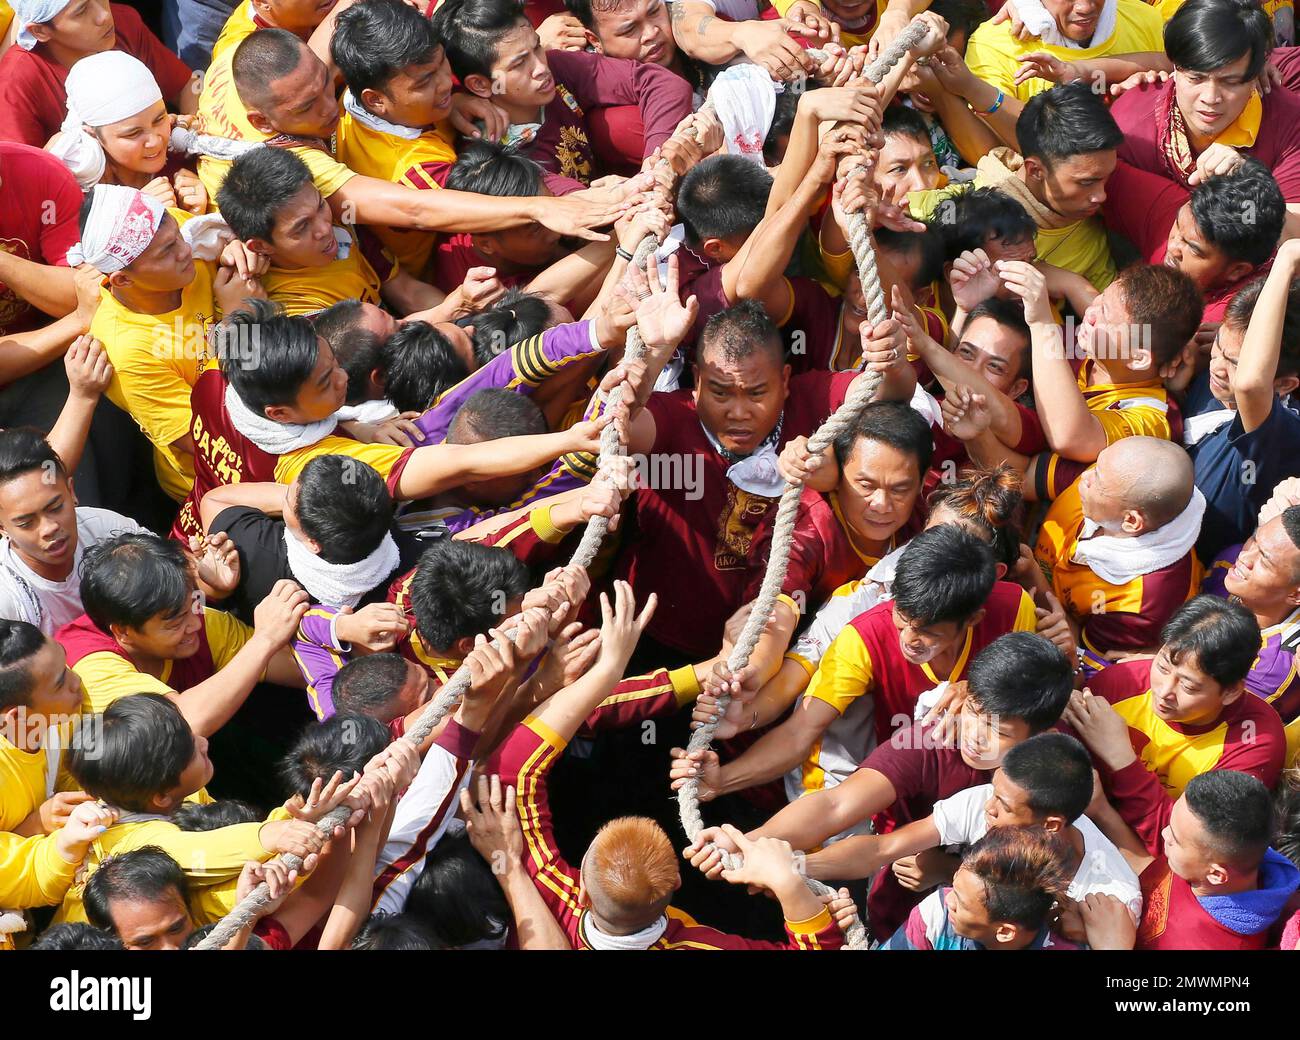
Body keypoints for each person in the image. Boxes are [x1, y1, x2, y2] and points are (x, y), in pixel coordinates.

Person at [489, 580, 850, 949]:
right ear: (679, 883)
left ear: (582, 888)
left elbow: (512, 769)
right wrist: (791, 888)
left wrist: (603, 670)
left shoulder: (547, 896)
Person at [684, 630, 1074, 938]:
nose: (975, 734)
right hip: (900, 911)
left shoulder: (1061, 777)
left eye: (1000, 732)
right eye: (973, 711)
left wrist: (949, 870)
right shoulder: (931, 736)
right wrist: (752, 845)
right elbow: (839, 807)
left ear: (1040, 735)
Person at [669, 526, 1039, 806]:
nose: (908, 638)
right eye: (902, 617)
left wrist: (976, 689)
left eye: (927, 631)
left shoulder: (1015, 608)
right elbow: (801, 731)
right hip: (900, 790)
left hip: (995, 790)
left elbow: (1033, 700)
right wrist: (723, 780)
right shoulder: (862, 637)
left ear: (973, 619)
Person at [802, 732, 1143, 945]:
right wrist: (798, 866)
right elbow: (881, 849)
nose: (988, 808)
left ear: (1051, 825)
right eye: (994, 791)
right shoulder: (988, 802)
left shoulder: (1111, 897)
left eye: (1004, 806)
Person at [57, 531, 308, 735]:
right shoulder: (89, 665)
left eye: (192, 606)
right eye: (175, 623)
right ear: (123, 632)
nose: (195, 625)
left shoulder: (197, 619)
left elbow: (303, 670)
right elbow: (179, 725)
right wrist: (264, 640)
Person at [432, 0, 693, 189]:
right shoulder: (491, 158)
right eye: (519, 64)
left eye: (537, 47)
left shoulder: (557, 65)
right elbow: (579, 209)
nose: (540, 68)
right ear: (479, 85)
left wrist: (656, 162)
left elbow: (664, 85)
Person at [1064, 596, 1288, 803]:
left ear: (1231, 691)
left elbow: (1192, 842)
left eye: (1188, 685)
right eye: (1162, 666)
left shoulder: (1254, 744)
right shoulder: (1123, 681)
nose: (1164, 691)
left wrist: (1122, 760)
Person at [1109, 0, 1300, 235]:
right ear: (1174, 69)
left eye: (1230, 82)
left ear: (1257, 75)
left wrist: (1251, 186)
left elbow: (1295, 234)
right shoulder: (1129, 124)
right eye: (1195, 78)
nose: (1210, 98)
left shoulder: (1291, 122)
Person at [908, 82, 1121, 291]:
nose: (1101, 196)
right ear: (1036, 170)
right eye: (1086, 182)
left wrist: (1074, 286)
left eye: (1106, 178)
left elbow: (1114, 322)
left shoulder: (1094, 240)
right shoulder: (951, 209)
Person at [1033, 437, 1204, 669]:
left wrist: (1031, 576)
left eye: (1099, 479)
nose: (1086, 476)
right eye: (1098, 464)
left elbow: (1078, 652)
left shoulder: (1143, 604)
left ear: (1131, 521)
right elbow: (1029, 476)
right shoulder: (1112, 481)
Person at [216, 146, 446, 317]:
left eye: (320, 205)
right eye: (302, 227)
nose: (325, 229)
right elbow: (382, 349)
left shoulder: (343, 228)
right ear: (260, 246)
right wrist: (455, 307)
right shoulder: (282, 307)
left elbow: (407, 292)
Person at [1088, 769, 1300, 949]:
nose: (1164, 834)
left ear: (1216, 875)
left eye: (1176, 839)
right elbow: (1152, 875)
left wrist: (1110, 944)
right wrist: (1101, 810)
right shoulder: (1200, 864)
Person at [1184, 243, 1300, 561]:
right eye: (1219, 346)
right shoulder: (1211, 368)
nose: (1218, 366)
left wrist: (1288, 257)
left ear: (1284, 385)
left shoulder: (1284, 435)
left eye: (1235, 363)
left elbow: (1250, 385)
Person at [1102, 156, 1287, 327]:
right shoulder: (1183, 216)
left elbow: (1134, 345)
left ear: (1237, 271)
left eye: (1193, 248)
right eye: (1177, 225)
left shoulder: (1240, 318)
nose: (1173, 247)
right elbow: (1096, 169)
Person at [0, 1, 196, 148]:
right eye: (82, 11)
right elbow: (18, 176)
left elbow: (188, 86)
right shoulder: (15, 81)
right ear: (40, 31)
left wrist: (195, 132)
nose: (104, 15)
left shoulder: (124, 23)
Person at [879, 825, 1081, 950]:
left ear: (1004, 932)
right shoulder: (938, 915)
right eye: (955, 887)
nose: (948, 900)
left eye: (963, 904)